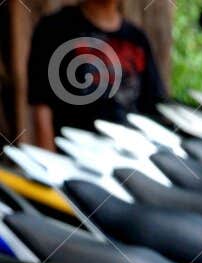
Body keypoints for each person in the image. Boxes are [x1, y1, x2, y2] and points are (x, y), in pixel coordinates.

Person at [27, 0, 164, 150]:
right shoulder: (55, 28)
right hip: (74, 154)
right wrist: (50, 163)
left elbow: (152, 105)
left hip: (129, 154)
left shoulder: (137, 39)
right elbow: (41, 104)